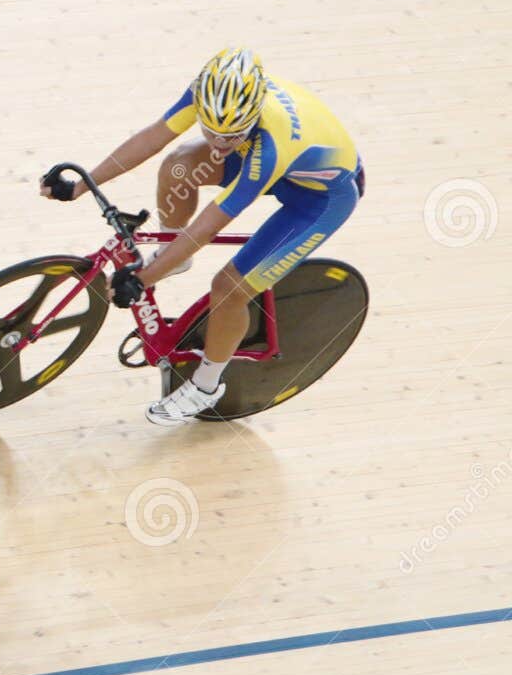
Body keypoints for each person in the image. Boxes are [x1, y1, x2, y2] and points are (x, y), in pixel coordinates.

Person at [40, 49, 363, 424]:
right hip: (283, 162)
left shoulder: (271, 145)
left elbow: (208, 226)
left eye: (232, 135)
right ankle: (171, 254)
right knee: (179, 165)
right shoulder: (209, 95)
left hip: (320, 199)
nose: (220, 145)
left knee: (228, 289)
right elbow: (153, 138)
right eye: (212, 132)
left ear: (254, 114)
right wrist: (81, 185)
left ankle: (207, 386)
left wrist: (145, 278)